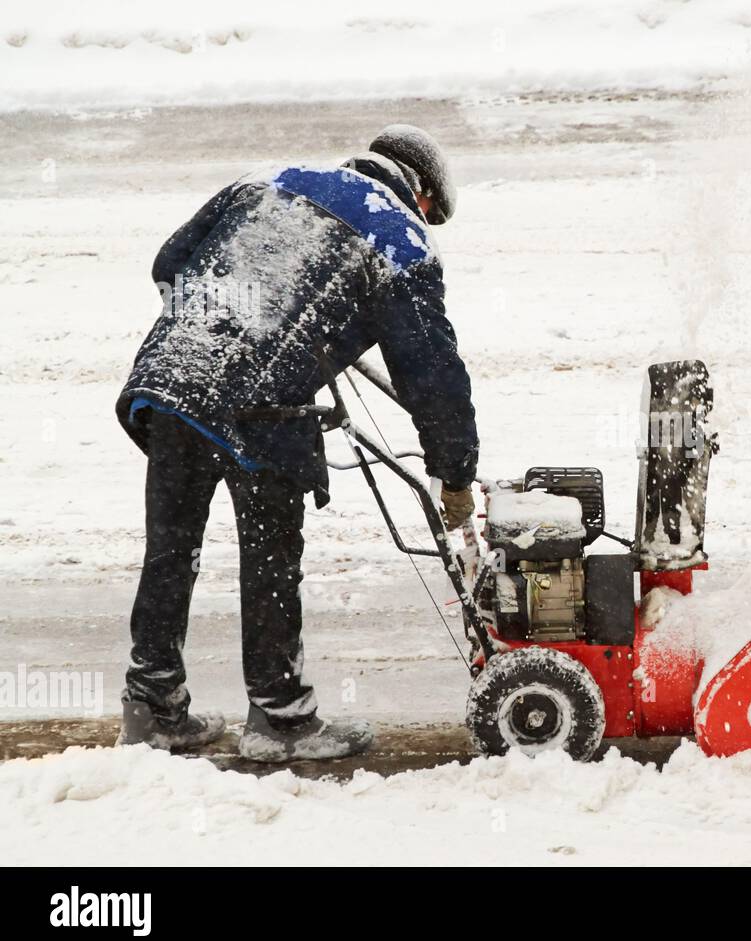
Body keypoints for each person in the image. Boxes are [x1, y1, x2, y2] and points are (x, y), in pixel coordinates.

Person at [114, 125, 478, 762]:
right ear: (420, 195)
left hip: (172, 380)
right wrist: (455, 471)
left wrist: (241, 323)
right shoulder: (396, 235)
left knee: (171, 550)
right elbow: (430, 371)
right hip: (259, 408)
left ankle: (153, 708)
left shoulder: (267, 182)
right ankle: (279, 719)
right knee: (270, 560)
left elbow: (169, 264)